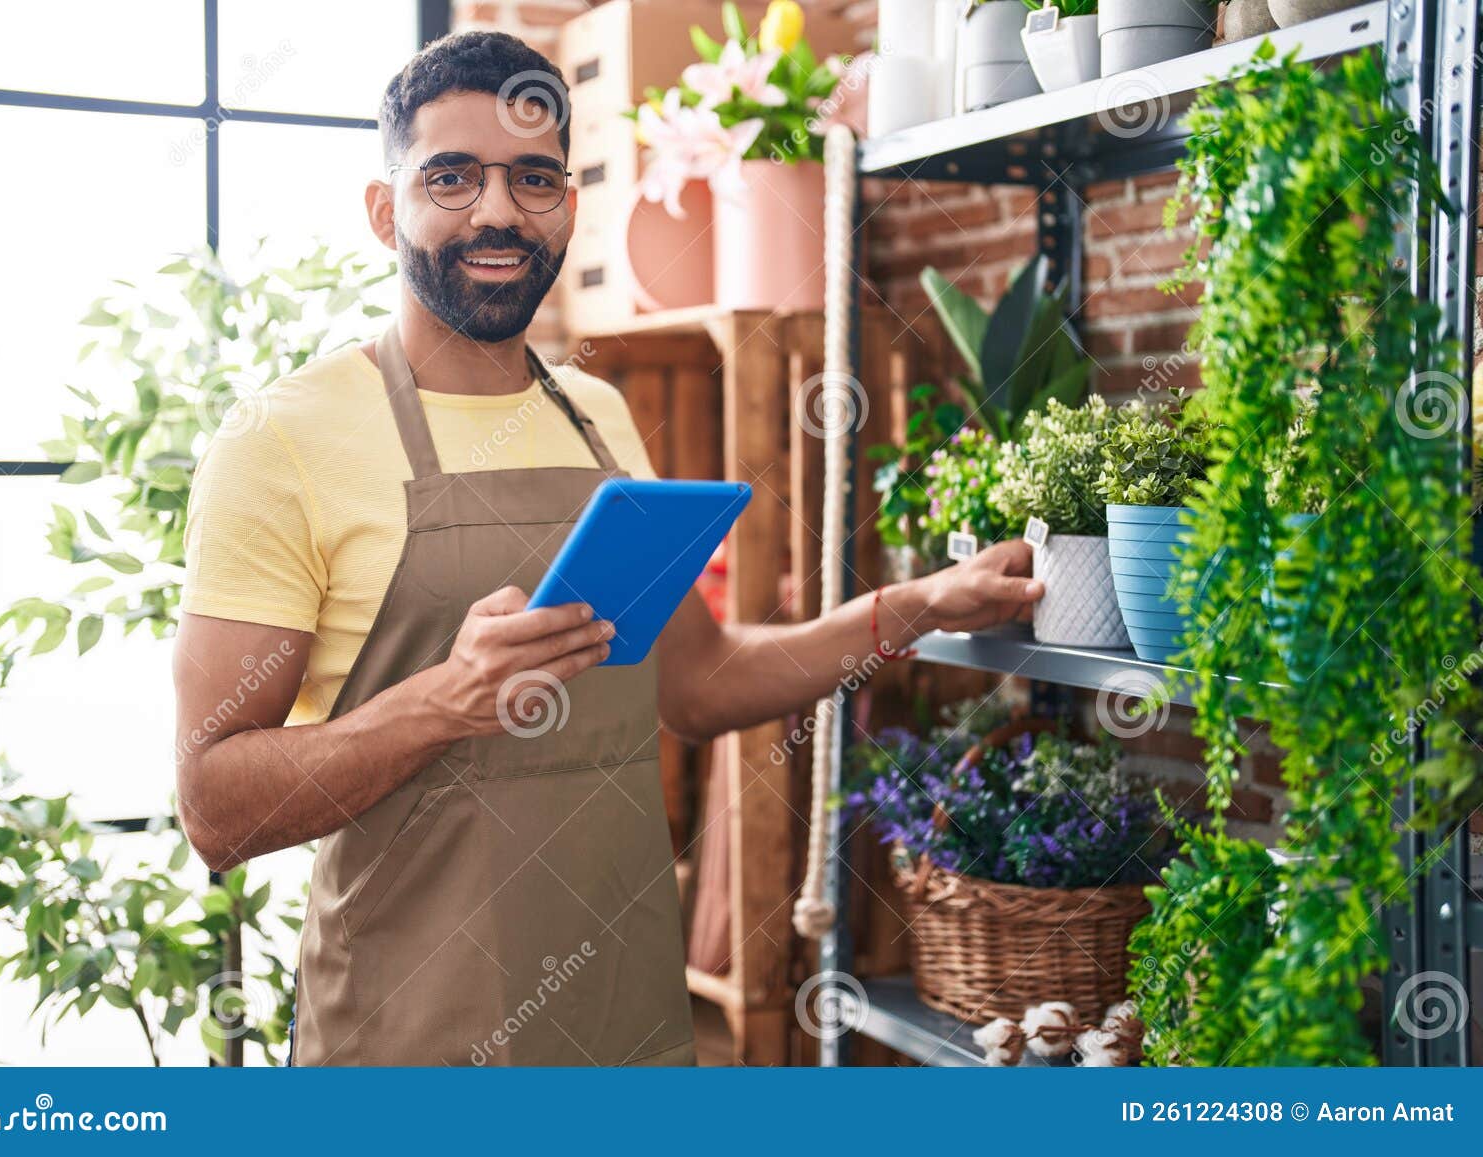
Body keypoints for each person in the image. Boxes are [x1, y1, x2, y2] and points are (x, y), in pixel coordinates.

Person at [171, 29, 1042, 1068]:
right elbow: (214, 807)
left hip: (624, 1022)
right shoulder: (283, 440)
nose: (498, 210)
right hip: (409, 1042)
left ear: (566, 210)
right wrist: (447, 697)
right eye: (451, 177)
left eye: (533, 179)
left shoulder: (597, 416)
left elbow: (701, 684)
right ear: (383, 208)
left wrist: (915, 608)